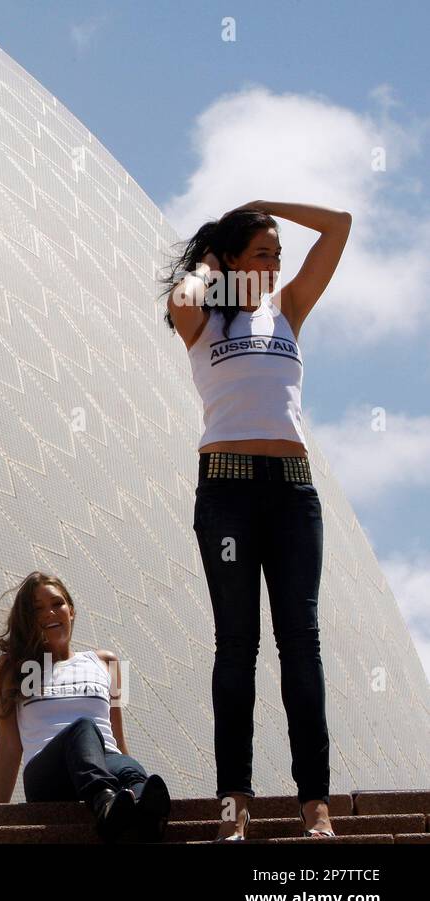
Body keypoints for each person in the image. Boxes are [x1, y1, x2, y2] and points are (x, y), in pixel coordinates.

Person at [159, 199, 351, 840]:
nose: (275, 264)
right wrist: (214, 252)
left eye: (277, 255)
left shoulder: (290, 310)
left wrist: (269, 207)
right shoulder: (203, 324)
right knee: (237, 647)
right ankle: (233, 806)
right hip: (228, 493)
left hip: (294, 493)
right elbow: (181, 301)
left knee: (302, 643)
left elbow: (339, 226)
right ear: (235, 261)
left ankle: (314, 805)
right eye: (263, 253)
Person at [0, 571, 170, 843]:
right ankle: (106, 804)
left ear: (71, 610)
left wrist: (128, 767)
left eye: (57, 604)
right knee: (83, 728)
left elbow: (116, 738)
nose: (50, 613)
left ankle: (143, 807)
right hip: (48, 776)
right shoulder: (11, 667)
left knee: (130, 770)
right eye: (38, 609)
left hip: (104, 762)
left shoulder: (108, 662)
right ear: (29, 620)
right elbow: (8, 744)